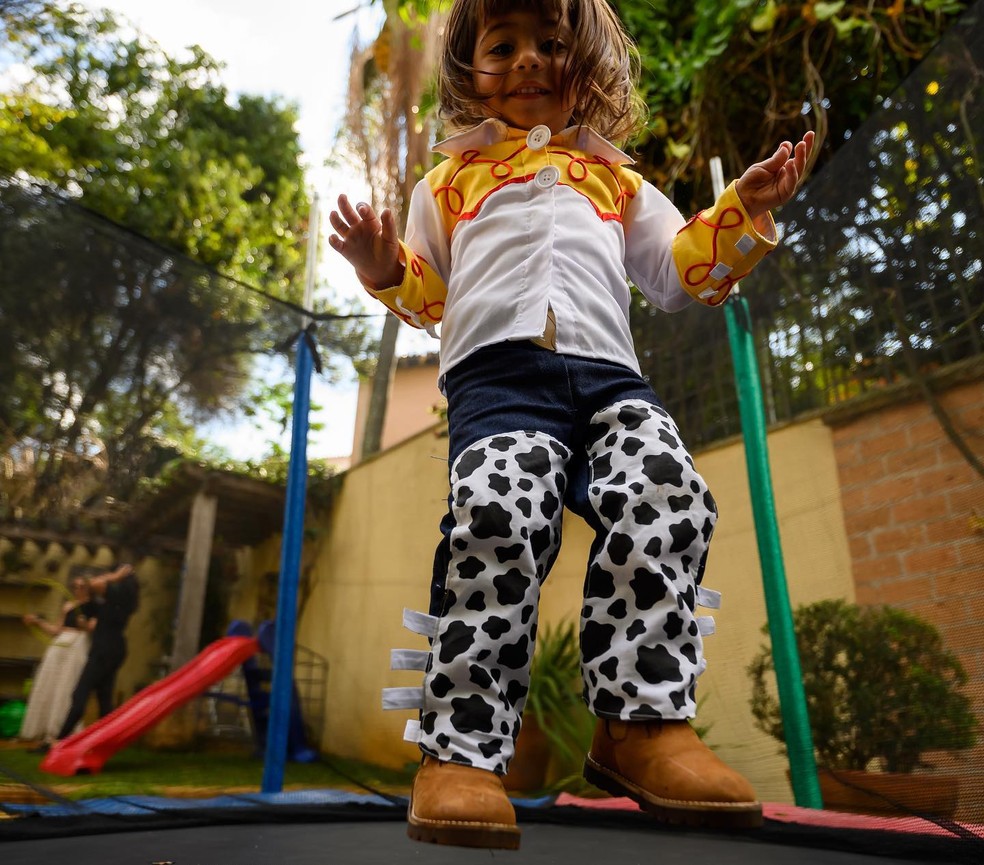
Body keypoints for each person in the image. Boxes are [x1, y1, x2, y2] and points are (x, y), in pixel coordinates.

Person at [329, 0, 814, 849]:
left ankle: (640, 724)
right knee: (498, 518)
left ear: (585, 64)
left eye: (550, 43)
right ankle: (461, 750)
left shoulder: (617, 181)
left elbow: (680, 274)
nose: (527, 59)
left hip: (608, 377)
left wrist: (743, 205)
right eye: (503, 44)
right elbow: (433, 299)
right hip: (496, 380)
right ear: (469, 71)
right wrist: (381, 265)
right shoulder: (448, 183)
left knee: (668, 493)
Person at [52, 562, 139, 744]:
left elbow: (94, 583)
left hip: (104, 650)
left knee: (80, 694)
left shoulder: (116, 593)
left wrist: (114, 577)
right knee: (104, 697)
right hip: (115, 649)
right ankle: (105, 742)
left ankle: (60, 741)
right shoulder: (121, 599)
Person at [19, 575, 99, 747]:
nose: (78, 590)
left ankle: (62, 732)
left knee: (67, 686)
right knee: (49, 683)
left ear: (88, 588)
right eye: (75, 586)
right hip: (59, 644)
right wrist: (37, 621)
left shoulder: (94, 606)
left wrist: (84, 625)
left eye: (82, 586)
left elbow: (92, 628)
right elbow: (56, 630)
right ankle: (44, 732)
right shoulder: (68, 605)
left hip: (78, 645)